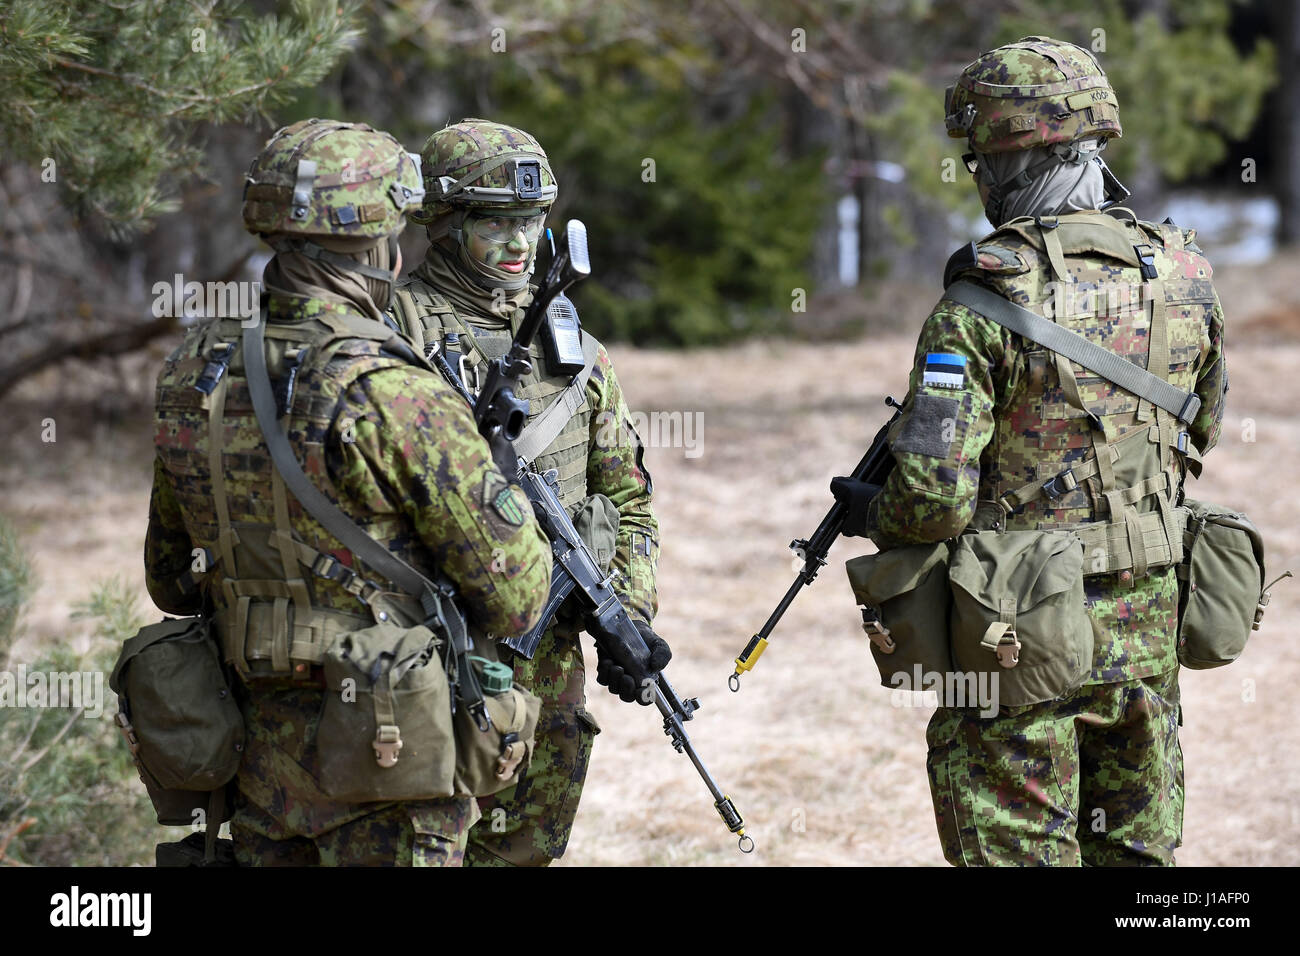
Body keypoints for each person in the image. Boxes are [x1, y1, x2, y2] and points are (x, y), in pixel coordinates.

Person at [845, 37, 1227, 865]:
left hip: (1015, 639)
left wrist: (872, 508)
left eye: (978, 158)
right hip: (1148, 629)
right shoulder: (1186, 273)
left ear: (1006, 159)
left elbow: (934, 500)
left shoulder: (981, 302)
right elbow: (1200, 433)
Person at [144, 118, 553, 866]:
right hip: (392, 763)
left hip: (256, 764)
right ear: (380, 245)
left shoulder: (193, 374)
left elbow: (171, 580)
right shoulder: (398, 394)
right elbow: (517, 597)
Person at [389, 118, 668, 867]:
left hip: (550, 671)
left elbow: (628, 497)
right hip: (434, 660)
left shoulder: (574, 347)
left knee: (526, 851)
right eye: (496, 223)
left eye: (533, 221)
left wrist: (628, 615)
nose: (520, 243)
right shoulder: (391, 340)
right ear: (443, 225)